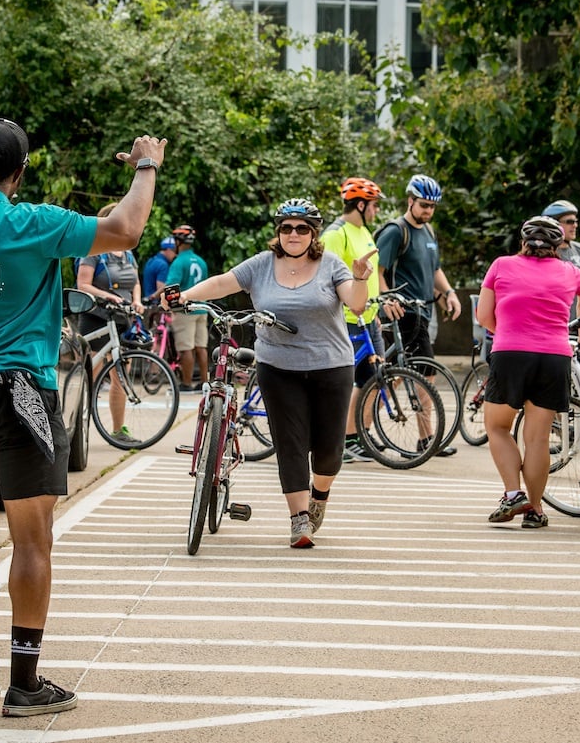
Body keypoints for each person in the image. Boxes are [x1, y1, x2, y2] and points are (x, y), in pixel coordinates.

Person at [0, 118, 165, 717]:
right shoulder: (31, 222)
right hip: (20, 391)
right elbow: (124, 229)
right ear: (17, 174)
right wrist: (145, 166)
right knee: (32, 538)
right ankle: (25, 682)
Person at [164, 198, 370, 548]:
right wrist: (184, 296)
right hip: (278, 366)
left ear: (313, 233)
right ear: (278, 232)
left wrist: (361, 277)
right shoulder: (261, 265)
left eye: (302, 228)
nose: (294, 234)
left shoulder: (330, 265)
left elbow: (356, 302)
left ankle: (319, 496)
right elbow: (220, 283)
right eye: (287, 227)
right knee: (289, 444)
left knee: (329, 451)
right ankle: (299, 520)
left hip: (331, 366)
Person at [479, 217, 580, 528]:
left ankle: (513, 494)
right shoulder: (569, 271)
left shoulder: (501, 265)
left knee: (497, 428)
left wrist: (509, 334)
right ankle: (535, 510)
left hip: (510, 352)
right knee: (537, 439)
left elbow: (484, 315)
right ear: (558, 246)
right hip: (554, 356)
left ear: (523, 242)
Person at [375, 173, 463, 457]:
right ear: (410, 201)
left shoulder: (428, 232)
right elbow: (378, 271)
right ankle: (425, 439)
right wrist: (387, 300)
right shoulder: (395, 231)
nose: (428, 210)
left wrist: (449, 293)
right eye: (424, 204)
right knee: (422, 373)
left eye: (432, 206)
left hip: (423, 311)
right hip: (403, 313)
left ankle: (421, 439)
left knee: (399, 376)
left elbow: (435, 270)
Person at [320, 177, 389, 464]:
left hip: (368, 318)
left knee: (374, 379)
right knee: (345, 381)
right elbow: (325, 276)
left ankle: (356, 434)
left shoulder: (365, 232)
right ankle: (344, 438)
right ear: (360, 204)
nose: (375, 211)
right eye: (373, 206)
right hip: (346, 319)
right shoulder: (337, 234)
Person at [75, 203, 145, 446]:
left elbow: (135, 282)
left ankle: (118, 429)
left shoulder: (127, 252)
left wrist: (136, 301)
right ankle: (74, 422)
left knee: (120, 375)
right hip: (96, 317)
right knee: (89, 375)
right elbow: (82, 284)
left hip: (121, 319)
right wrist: (108, 296)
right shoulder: (94, 251)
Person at [165, 224, 209, 392]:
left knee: (186, 347)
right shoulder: (201, 261)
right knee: (201, 346)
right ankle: (204, 382)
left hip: (185, 309)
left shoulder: (179, 262)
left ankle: (186, 383)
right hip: (202, 307)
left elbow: (171, 286)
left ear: (178, 242)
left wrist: (157, 298)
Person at [542, 200, 580, 268]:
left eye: (575, 221)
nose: (575, 225)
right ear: (553, 225)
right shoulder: (543, 254)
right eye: (570, 222)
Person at [141, 236, 176, 303]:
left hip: (147, 301)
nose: (175, 255)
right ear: (168, 249)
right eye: (174, 251)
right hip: (156, 305)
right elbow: (161, 290)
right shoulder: (163, 265)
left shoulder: (151, 261)